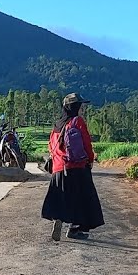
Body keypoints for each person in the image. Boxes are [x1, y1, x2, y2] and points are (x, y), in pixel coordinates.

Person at [42, 93, 105, 240]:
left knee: (63, 197)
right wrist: (90, 159)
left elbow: (51, 146)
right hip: (76, 166)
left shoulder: (57, 125)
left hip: (58, 169)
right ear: (75, 107)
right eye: (80, 105)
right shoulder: (77, 121)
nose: (82, 108)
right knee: (82, 198)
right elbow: (86, 143)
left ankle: (59, 217)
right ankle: (74, 229)